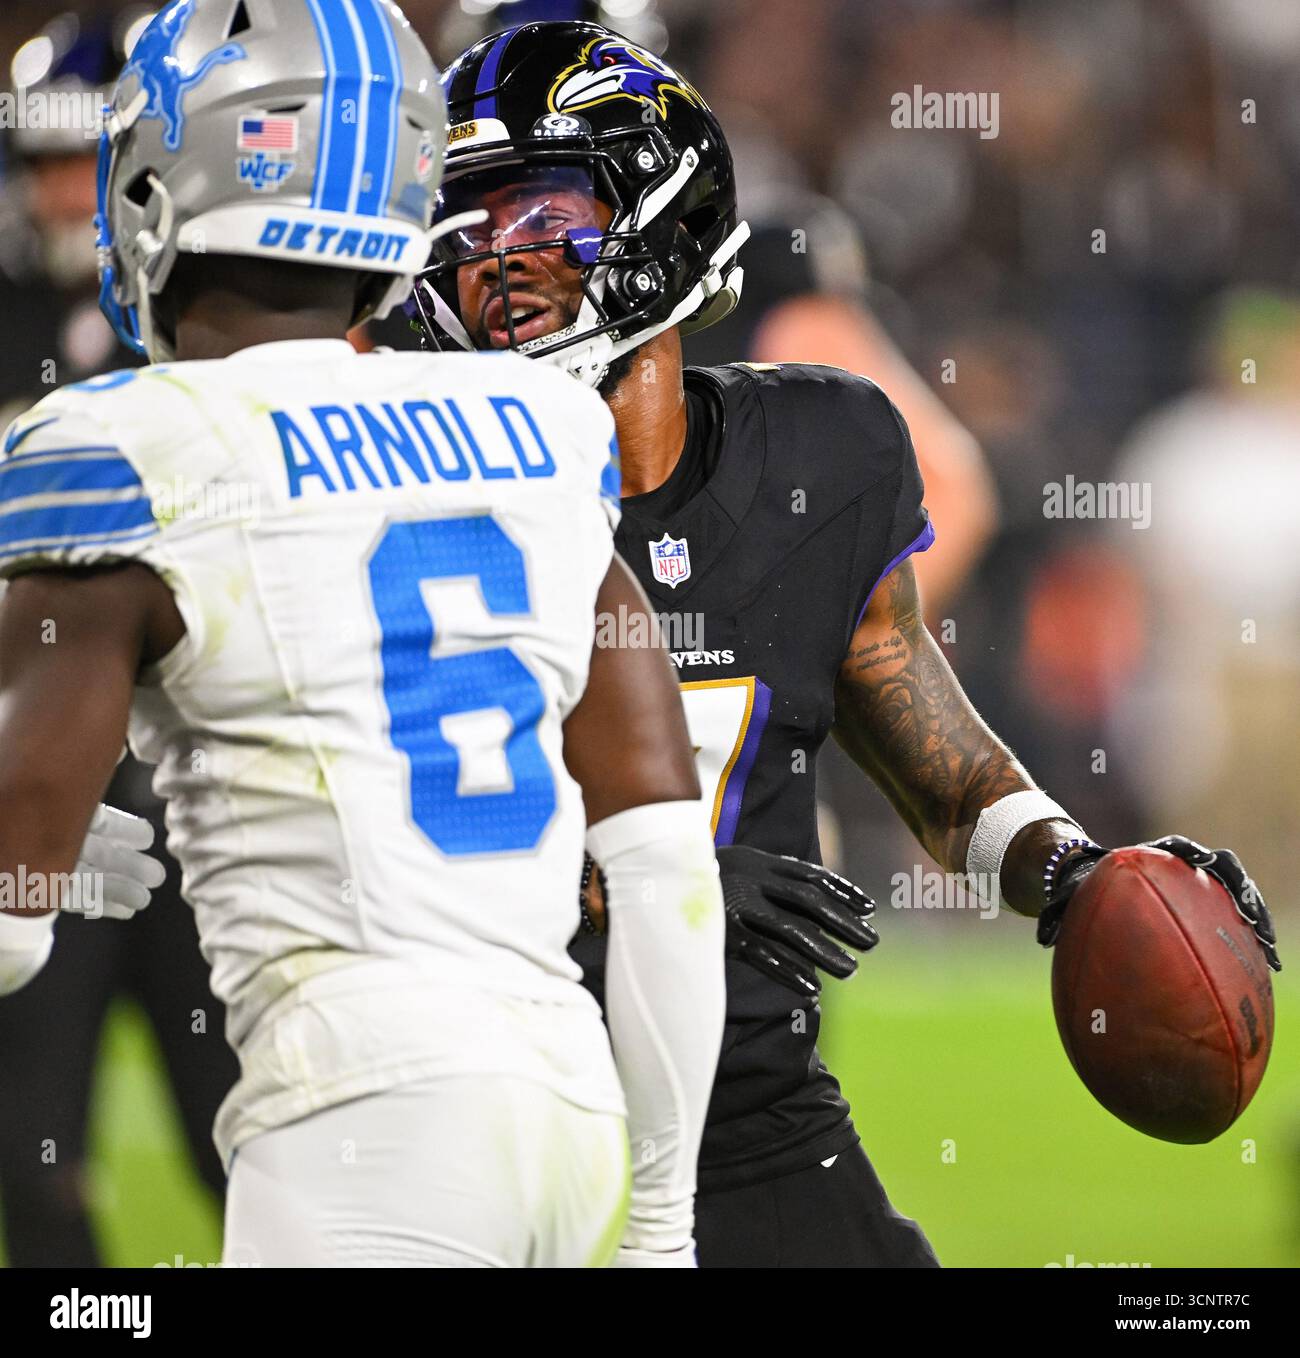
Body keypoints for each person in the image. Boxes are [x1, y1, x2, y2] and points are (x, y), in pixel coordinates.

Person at [408, 18, 1282, 1267]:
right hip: (493, 1110)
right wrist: (642, 889)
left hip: (750, 1115)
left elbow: (939, 764)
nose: (495, 262)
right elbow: (373, 829)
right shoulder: (408, 497)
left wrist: (1083, 874)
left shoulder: (817, 461)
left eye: (541, 217)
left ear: (661, 208)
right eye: (467, 225)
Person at [0, 0, 725, 1269]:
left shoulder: (125, 442)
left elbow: (9, 917)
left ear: (166, 186)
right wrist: (662, 1231)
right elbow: (666, 864)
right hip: (571, 1105)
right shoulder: (536, 429)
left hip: (361, 1122)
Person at [0, 11, 237, 1266]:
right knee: (35, 1172)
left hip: (198, 794)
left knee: (246, 1148)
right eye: (33, 163)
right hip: (42, 791)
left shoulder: (213, 315)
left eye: (71, 163)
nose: (48, 191)